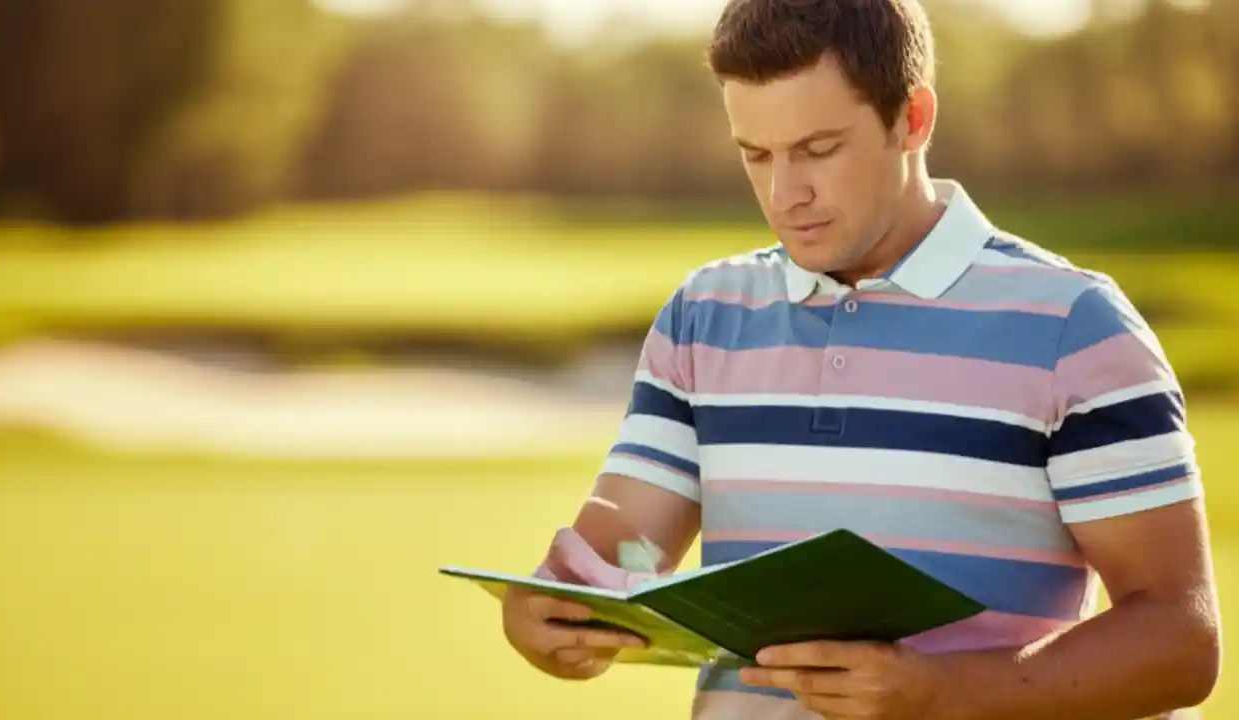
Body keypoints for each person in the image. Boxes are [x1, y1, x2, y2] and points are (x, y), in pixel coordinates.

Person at [500, 0, 1221, 717]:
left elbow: (1180, 641)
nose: (786, 195)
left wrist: (941, 693)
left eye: (818, 150)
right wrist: (557, 616)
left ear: (913, 119)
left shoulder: (1074, 327)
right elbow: (621, 555)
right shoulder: (704, 317)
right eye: (756, 154)